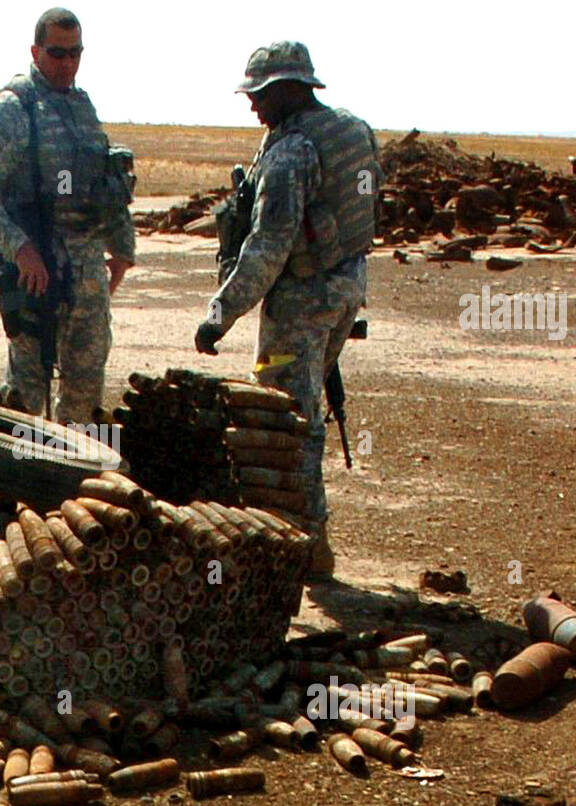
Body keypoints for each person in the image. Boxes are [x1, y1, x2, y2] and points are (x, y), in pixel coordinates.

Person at [193, 41, 381, 578]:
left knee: (287, 423)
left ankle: (304, 548)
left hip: (300, 300)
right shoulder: (353, 130)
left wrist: (220, 312)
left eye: (259, 95)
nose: (253, 106)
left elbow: (268, 246)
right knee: (303, 410)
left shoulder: (291, 151)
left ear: (284, 90)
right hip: (346, 285)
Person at [0, 6, 136, 425]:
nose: (67, 63)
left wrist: (122, 249)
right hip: (36, 275)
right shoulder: (12, 109)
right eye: (58, 53)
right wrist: (21, 250)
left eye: (76, 53)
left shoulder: (82, 109)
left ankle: (73, 486)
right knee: (24, 400)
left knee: (85, 397)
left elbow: (105, 182)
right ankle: (17, 484)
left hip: (87, 274)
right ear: (36, 52)